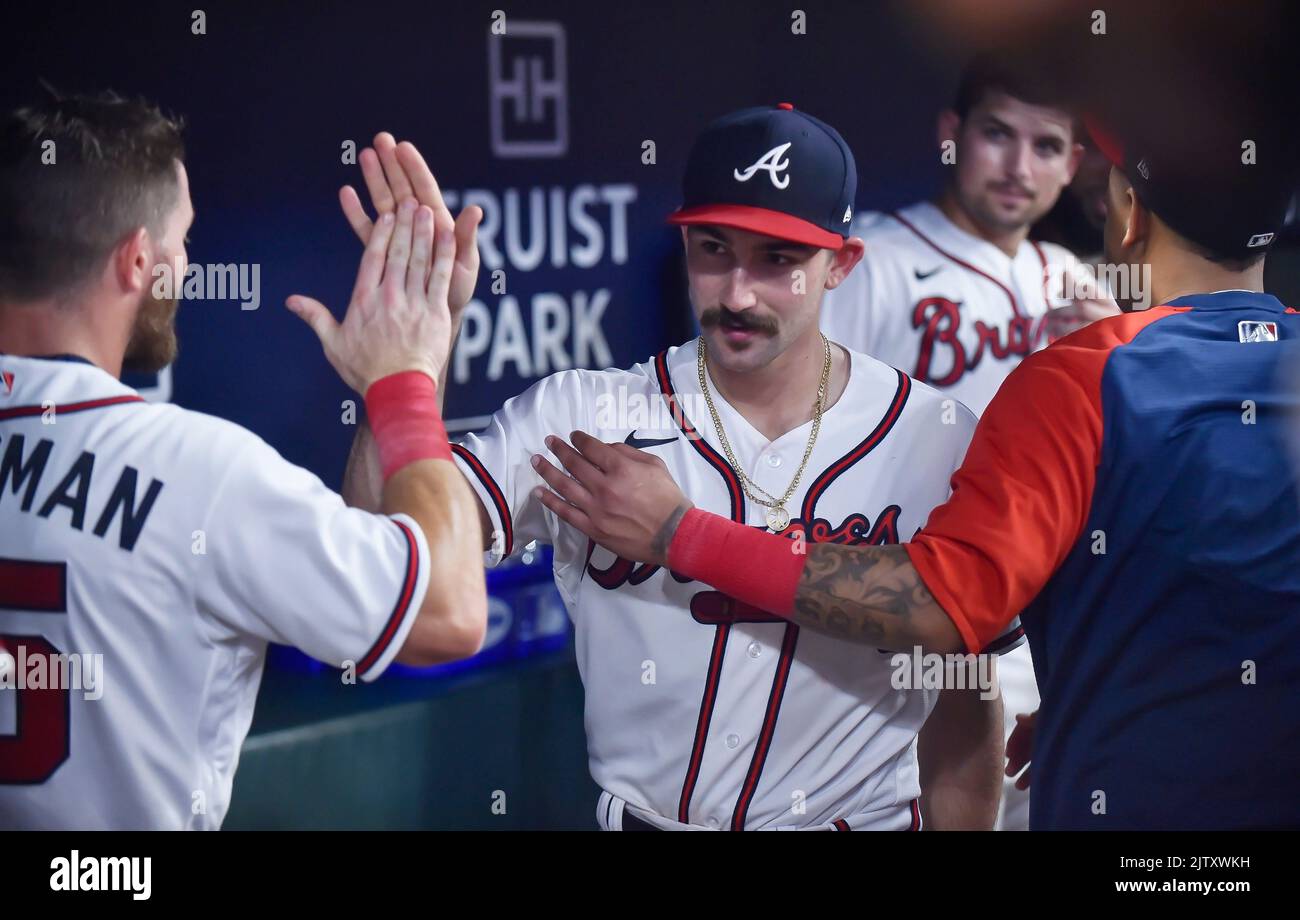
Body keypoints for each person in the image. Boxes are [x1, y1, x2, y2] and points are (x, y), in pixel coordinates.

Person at [534, 106, 1300, 830]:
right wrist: (1103, 689)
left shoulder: (1089, 376)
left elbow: (938, 605)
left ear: (1129, 214)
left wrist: (682, 535)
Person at [343, 107, 1021, 830]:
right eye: (714, 248)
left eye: (778, 260)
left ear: (842, 265)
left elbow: (961, 694)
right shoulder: (582, 417)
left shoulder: (934, 436)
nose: (736, 293)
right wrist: (412, 367)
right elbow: (387, 569)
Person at [0, 90, 487, 830]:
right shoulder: (198, 473)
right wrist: (405, 382)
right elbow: (445, 616)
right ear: (137, 262)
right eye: (181, 242)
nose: (187, 268)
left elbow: (368, 584)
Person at [820, 52, 1120, 829]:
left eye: (1047, 146)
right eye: (997, 134)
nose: (1020, 166)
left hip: (1050, 630)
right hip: (909, 620)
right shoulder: (875, 264)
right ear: (952, 135)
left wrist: (1118, 361)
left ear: (1073, 164)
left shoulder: (1075, 281)